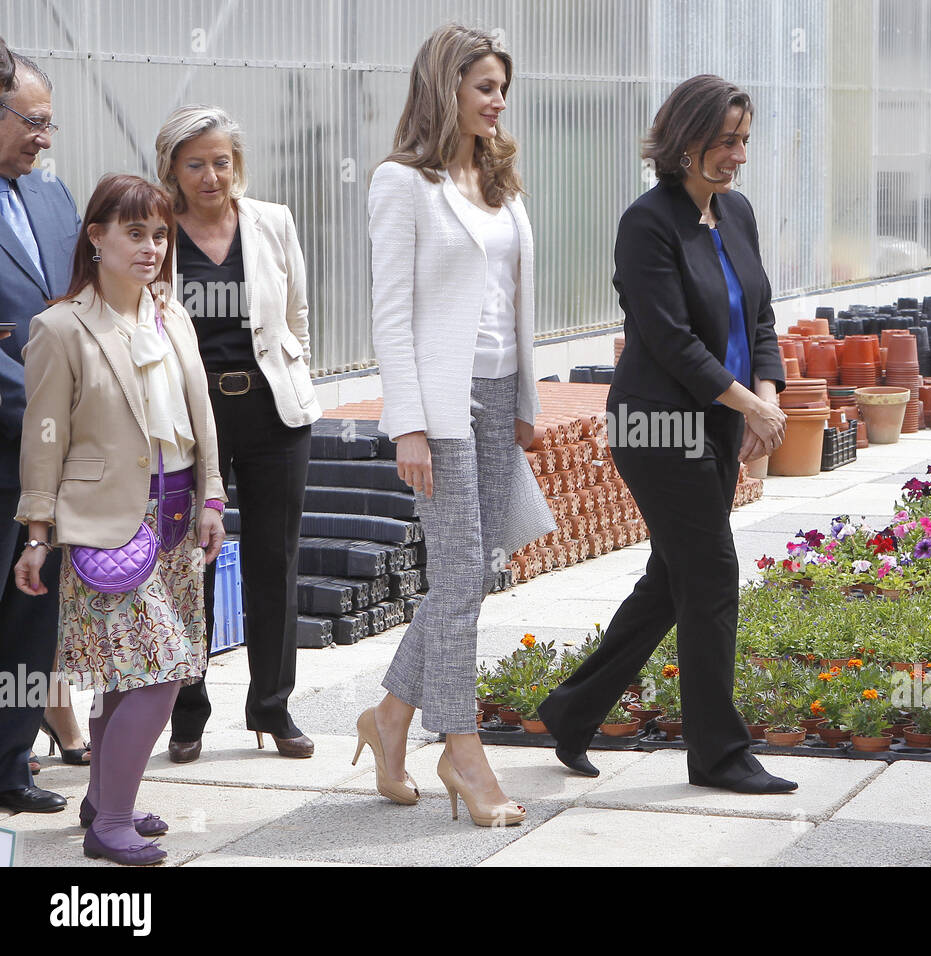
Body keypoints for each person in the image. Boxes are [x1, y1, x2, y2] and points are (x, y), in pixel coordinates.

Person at [537, 75, 796, 794]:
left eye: (745, 140)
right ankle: (718, 754)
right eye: (728, 141)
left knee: (671, 581)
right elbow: (673, 342)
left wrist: (763, 399)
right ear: (686, 144)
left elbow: (760, 319)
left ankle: (570, 710)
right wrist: (749, 404)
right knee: (711, 575)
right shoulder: (647, 223)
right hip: (659, 426)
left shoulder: (735, 214)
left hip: (716, 421)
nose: (741, 155)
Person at [362, 23, 554, 825]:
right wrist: (407, 424)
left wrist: (524, 406)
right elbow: (393, 314)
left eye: (502, 87)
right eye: (483, 86)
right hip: (441, 407)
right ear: (446, 88)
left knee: (473, 572)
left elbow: (512, 303)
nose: (497, 100)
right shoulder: (402, 183)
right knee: (464, 571)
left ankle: (389, 717)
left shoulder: (500, 180)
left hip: (498, 389)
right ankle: (463, 749)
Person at [14, 173, 226, 865]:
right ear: (96, 236)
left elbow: (200, 418)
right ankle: (108, 831)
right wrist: (38, 534)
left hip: (177, 516)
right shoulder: (60, 328)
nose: (152, 247)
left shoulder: (174, 316)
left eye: (161, 234)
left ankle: (109, 802)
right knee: (159, 670)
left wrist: (214, 500)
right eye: (135, 232)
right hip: (104, 525)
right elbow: (42, 437)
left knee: (125, 676)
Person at [154, 105, 322, 762]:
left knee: (274, 559)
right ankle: (188, 712)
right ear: (171, 168)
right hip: (193, 422)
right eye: (195, 163)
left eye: (221, 161)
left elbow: (297, 316)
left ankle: (273, 708)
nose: (211, 175)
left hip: (273, 415)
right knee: (192, 561)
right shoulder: (159, 232)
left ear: (237, 164)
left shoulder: (271, 222)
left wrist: (297, 375)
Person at [0, 46, 81, 814]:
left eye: (49, 122)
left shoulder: (52, 200)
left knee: (33, 612)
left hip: (46, 462)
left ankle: (11, 762)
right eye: (33, 121)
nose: (45, 137)